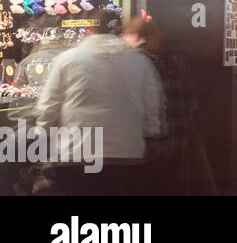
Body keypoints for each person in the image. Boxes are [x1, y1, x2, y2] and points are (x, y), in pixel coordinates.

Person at [34, 10, 166, 195]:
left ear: (90, 30)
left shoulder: (68, 59)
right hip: (126, 152)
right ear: (119, 31)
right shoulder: (140, 62)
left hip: (77, 153)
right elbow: (152, 107)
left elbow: (49, 107)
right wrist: (150, 137)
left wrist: (44, 137)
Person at [126, 17, 201, 194]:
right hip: (179, 137)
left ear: (139, 37)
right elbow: (191, 100)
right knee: (169, 186)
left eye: (127, 35)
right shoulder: (177, 62)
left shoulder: (138, 64)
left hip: (151, 141)